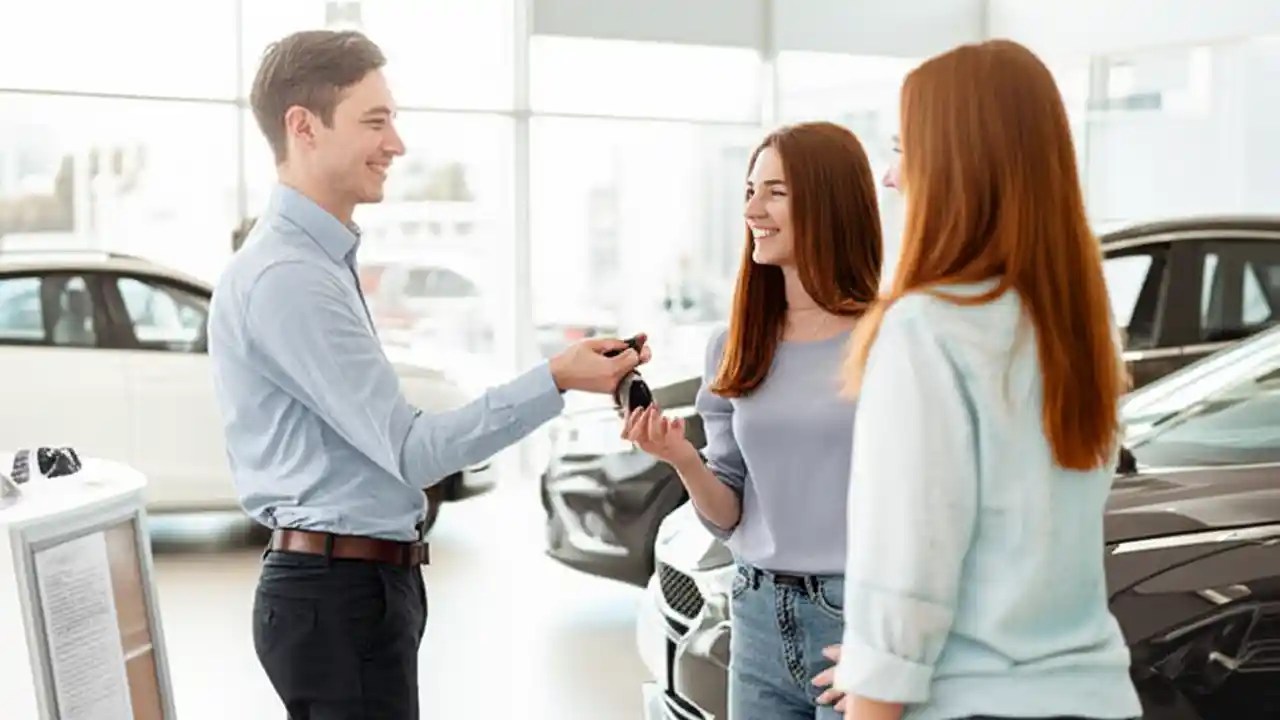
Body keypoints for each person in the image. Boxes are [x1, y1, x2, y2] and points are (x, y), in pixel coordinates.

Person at [207, 30, 650, 720]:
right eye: (375, 121)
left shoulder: (314, 261)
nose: (397, 144)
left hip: (351, 586)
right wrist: (555, 379)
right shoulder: (290, 277)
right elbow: (414, 452)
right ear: (304, 127)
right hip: (338, 593)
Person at [810, 40, 1143, 720]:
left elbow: (907, 571)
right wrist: (883, 660)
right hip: (1096, 699)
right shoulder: (1078, 327)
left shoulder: (926, 328)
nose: (891, 177)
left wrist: (878, 682)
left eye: (904, 149)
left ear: (956, 165)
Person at [623, 121, 883, 719]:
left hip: (861, 615)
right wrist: (680, 458)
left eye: (776, 192)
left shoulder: (891, 339)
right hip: (757, 611)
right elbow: (730, 512)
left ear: (829, 204)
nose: (753, 209)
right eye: (748, 190)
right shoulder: (736, 344)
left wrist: (894, 633)